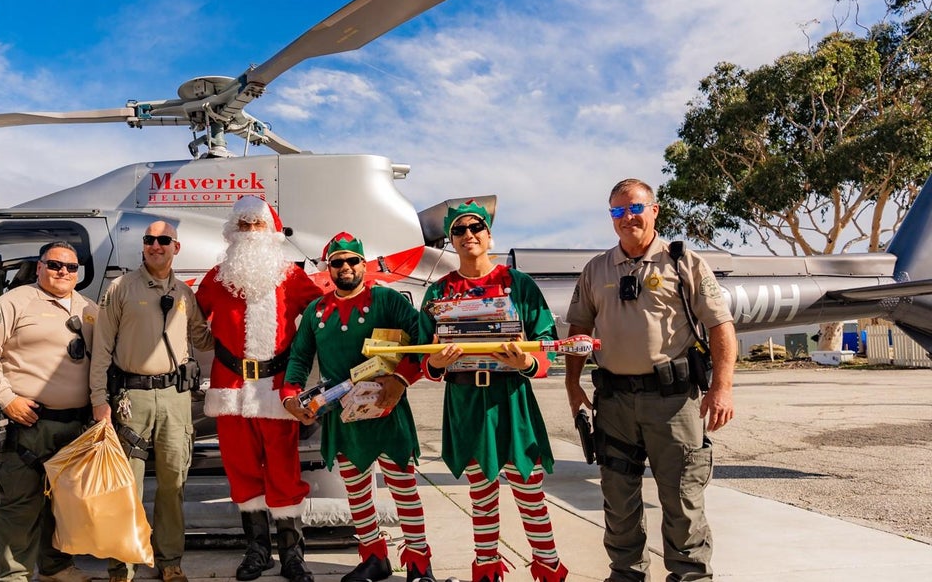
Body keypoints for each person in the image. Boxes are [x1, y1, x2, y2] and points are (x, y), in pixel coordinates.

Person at [564, 178, 735, 582]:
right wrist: (572, 384)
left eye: (635, 208)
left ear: (654, 210)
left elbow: (720, 326)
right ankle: (625, 575)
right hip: (615, 404)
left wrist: (721, 387)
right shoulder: (596, 269)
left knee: (682, 500)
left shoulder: (683, 262)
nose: (628, 218)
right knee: (618, 500)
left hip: (673, 403)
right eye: (618, 212)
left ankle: (690, 575)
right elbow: (578, 331)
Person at [419, 200, 569, 582]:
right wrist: (436, 363)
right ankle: (486, 572)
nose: (468, 235)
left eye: (476, 228)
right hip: (466, 401)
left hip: (511, 398)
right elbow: (423, 353)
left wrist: (527, 363)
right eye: (459, 231)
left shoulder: (519, 284)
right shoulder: (439, 293)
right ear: (451, 240)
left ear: (488, 234)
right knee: (481, 497)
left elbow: (546, 341)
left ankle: (549, 570)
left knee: (530, 492)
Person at [282, 232, 436, 582]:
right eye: (338, 263)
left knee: (403, 488)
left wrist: (402, 380)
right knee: (356, 491)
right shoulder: (316, 312)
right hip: (343, 416)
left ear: (364, 265)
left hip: (387, 410)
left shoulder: (386, 299)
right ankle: (373, 558)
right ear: (329, 268)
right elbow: (300, 357)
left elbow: (423, 341)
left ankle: (419, 564)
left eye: (353, 261)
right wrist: (291, 395)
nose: (346, 267)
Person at [195, 196, 322, 582]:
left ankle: (292, 554)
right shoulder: (217, 278)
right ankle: (257, 551)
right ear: (233, 231)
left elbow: (324, 318)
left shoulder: (292, 276)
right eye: (244, 225)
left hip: (277, 388)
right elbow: (188, 320)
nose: (251, 232)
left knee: (284, 471)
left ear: (271, 230)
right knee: (242, 471)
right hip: (230, 388)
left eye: (257, 225)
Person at [89, 221, 214, 582]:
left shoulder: (184, 293)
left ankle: (170, 560)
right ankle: (122, 565)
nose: (155, 246)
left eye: (163, 240)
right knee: (126, 485)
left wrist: (233, 315)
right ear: (143, 246)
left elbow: (203, 342)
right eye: (149, 240)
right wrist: (100, 400)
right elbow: (102, 349)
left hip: (175, 400)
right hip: (133, 399)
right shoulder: (121, 288)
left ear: (176, 247)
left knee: (174, 484)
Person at [0, 241, 99, 582]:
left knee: (64, 504)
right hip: (27, 423)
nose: (63, 272)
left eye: (71, 268)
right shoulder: (14, 302)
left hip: (74, 425)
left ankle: (56, 567)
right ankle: (15, 574)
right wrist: (5, 398)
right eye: (55, 265)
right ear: (39, 266)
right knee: (19, 505)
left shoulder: (88, 308)